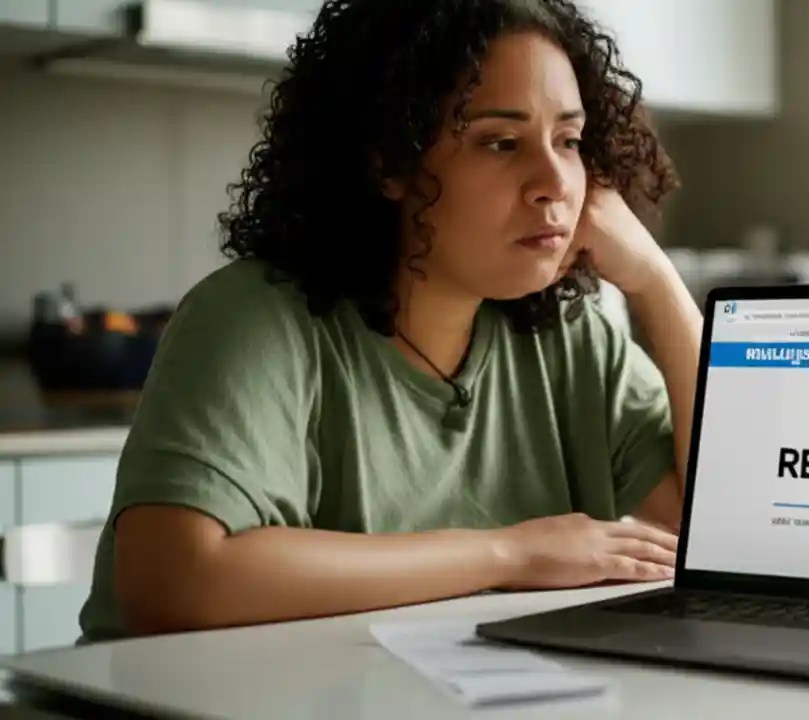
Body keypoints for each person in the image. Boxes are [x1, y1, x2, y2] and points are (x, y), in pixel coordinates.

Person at [77, 0, 701, 642]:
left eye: (567, 141)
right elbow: (176, 583)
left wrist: (656, 284)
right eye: (501, 142)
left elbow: (710, 532)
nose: (554, 182)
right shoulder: (253, 318)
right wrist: (510, 554)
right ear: (392, 165)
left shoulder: (570, 338)